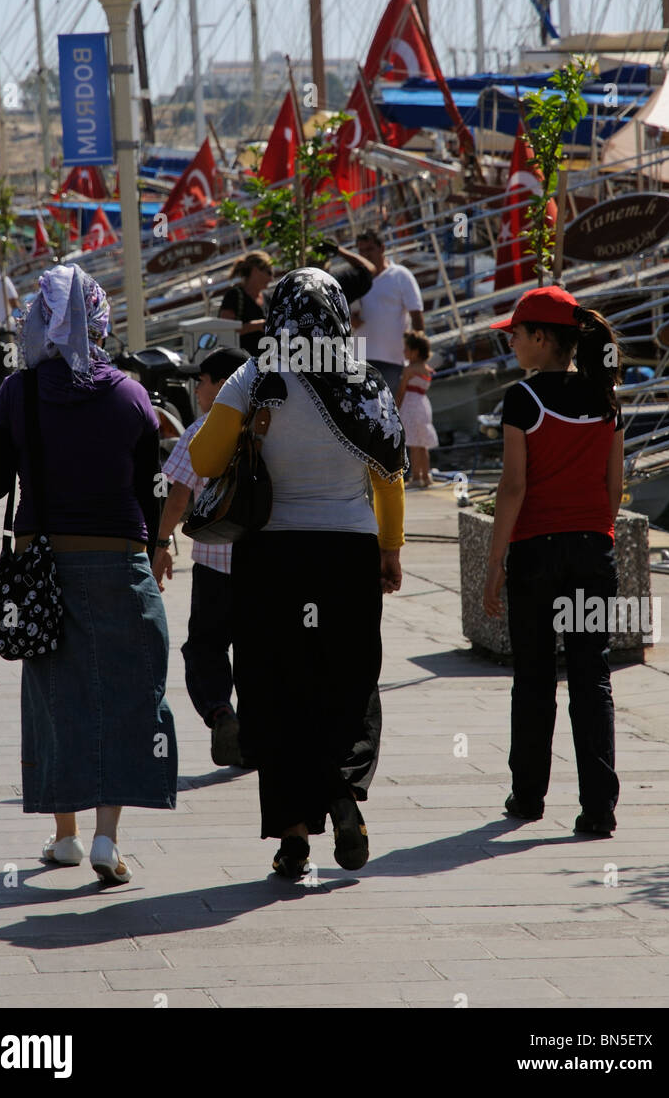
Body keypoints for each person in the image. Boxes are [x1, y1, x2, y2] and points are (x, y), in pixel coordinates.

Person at [188, 267, 406, 878]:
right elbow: (389, 474)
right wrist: (390, 548)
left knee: (274, 688)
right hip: (348, 556)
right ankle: (342, 792)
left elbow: (205, 460)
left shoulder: (255, 375)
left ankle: (292, 838)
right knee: (349, 679)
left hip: (271, 558)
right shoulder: (364, 382)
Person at [0, 264, 177, 885]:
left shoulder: (21, 391)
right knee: (125, 695)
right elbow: (149, 491)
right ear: (99, 319)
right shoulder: (131, 394)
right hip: (121, 560)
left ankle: (63, 837)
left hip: (44, 569)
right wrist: (161, 545)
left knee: (54, 697)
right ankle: (105, 840)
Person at [483, 285, 623, 837]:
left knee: (535, 677)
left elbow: (513, 488)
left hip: (536, 553)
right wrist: (593, 535)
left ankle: (528, 797)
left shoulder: (523, 400)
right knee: (592, 677)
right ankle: (599, 808)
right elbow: (614, 489)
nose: (512, 342)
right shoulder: (606, 400)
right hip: (592, 550)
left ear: (542, 338)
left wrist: (494, 563)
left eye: (516, 334)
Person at [152, 345, 250, 768]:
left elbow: (178, 497)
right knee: (257, 649)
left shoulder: (203, 430)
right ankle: (257, 733)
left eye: (203, 380)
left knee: (206, 646)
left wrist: (160, 546)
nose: (197, 388)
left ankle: (219, 711)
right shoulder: (266, 427)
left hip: (214, 564)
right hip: (264, 564)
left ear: (223, 384)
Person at [352, 228, 424, 395]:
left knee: (387, 413)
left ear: (382, 248)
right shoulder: (355, 278)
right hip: (358, 358)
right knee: (357, 412)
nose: (365, 255)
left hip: (392, 359)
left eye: (370, 249)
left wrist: (418, 357)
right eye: (361, 251)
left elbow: (417, 316)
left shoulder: (401, 275)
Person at [395, 331, 438, 487]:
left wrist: (395, 409)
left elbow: (401, 392)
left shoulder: (409, 369)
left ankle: (415, 477)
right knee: (422, 443)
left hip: (410, 404)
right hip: (423, 404)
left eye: (406, 349)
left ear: (415, 351)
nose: (404, 352)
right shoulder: (427, 369)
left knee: (413, 443)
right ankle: (426, 476)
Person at [218, 250, 274, 356]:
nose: (271, 278)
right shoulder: (234, 296)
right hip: (243, 364)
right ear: (255, 271)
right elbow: (225, 332)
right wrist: (255, 326)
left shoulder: (267, 297)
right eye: (269, 273)